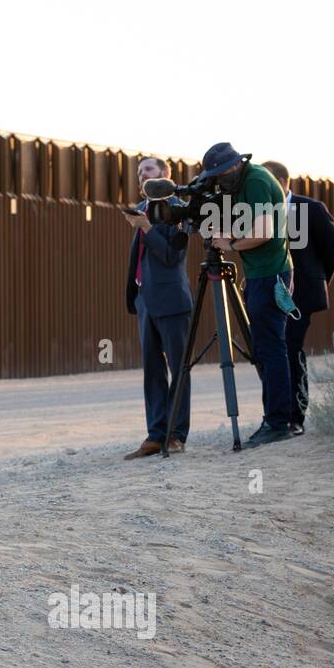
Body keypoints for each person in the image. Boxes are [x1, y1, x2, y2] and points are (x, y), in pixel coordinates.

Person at [199, 143, 294, 448]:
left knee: (270, 348)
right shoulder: (241, 182)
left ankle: (279, 422)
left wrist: (231, 244)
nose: (218, 178)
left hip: (269, 275)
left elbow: (264, 231)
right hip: (260, 274)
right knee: (267, 347)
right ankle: (278, 418)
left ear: (234, 166)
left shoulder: (254, 181)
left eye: (219, 173)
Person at [260, 161, 334, 435]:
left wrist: (316, 282)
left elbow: (332, 251)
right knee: (270, 350)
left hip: (301, 295)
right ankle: (276, 412)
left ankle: (295, 417)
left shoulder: (311, 209)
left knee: (291, 349)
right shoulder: (259, 211)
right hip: (267, 291)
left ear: (282, 182)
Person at [122, 157, 193, 459]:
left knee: (178, 369)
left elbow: (171, 257)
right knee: (152, 370)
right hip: (145, 302)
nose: (142, 175)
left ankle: (176, 436)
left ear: (165, 175)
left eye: (148, 170)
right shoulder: (140, 210)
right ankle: (155, 435)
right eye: (139, 173)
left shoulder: (179, 209)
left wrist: (147, 228)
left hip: (173, 301)